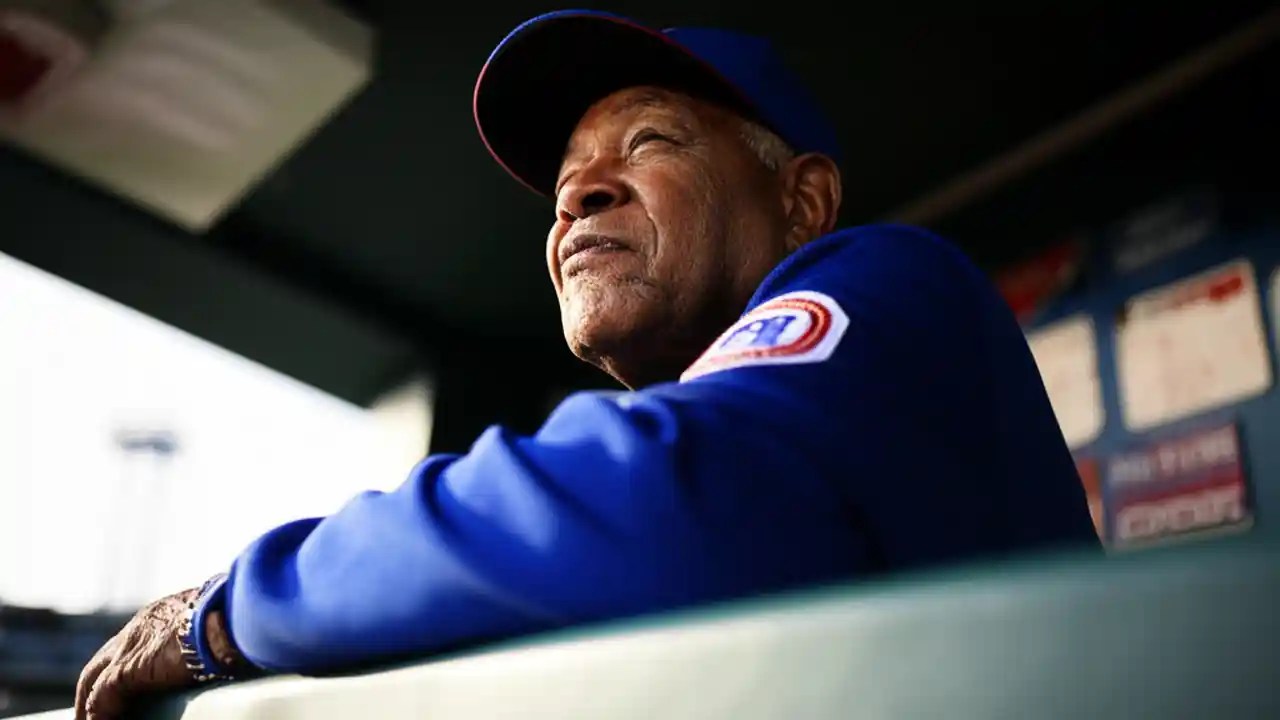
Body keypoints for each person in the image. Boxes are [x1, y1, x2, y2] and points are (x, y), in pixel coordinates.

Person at [74, 9, 1099, 720]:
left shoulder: (887, 275)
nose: (577, 197)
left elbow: (664, 499)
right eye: (566, 183)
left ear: (801, 200)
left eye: (648, 141)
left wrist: (228, 611)